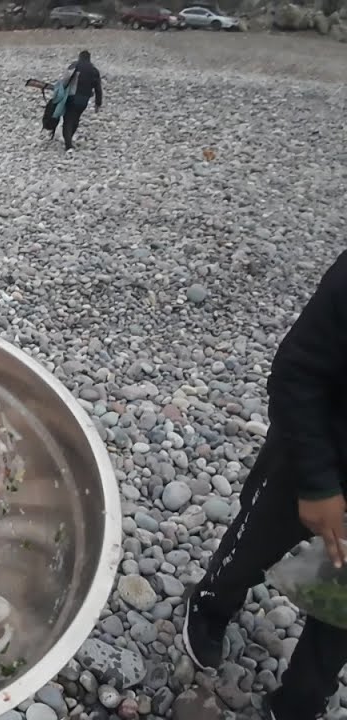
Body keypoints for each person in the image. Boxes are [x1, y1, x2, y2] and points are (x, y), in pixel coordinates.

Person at [182, 249, 347, 720]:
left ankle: (301, 699)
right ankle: (211, 604)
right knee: (255, 541)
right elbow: (297, 372)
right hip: (314, 454)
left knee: (343, 604)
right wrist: (318, 483)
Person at [50, 50, 103, 153]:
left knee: (68, 120)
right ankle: (69, 140)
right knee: (75, 119)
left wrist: (59, 91)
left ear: (80, 57)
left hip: (72, 97)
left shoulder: (75, 65)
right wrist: (98, 103)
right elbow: (98, 88)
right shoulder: (94, 70)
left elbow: (65, 80)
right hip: (84, 100)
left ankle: (68, 145)